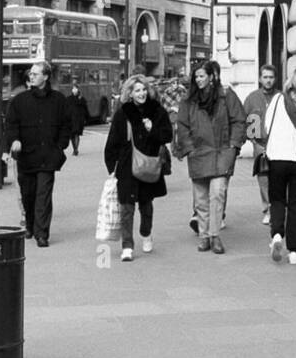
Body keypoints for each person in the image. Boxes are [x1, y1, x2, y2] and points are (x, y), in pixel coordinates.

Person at [173, 60, 245, 254]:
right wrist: (188, 148)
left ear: (211, 77)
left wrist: (233, 145)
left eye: (202, 76)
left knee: (218, 192)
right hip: (198, 153)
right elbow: (182, 125)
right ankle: (204, 236)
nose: (198, 80)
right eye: (196, 77)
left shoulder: (226, 96)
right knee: (201, 198)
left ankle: (215, 235)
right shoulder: (189, 100)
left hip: (222, 152)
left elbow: (239, 120)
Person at [104, 75, 173, 263]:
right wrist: (112, 168)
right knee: (126, 207)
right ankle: (127, 246)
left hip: (149, 164)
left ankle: (146, 232)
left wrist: (152, 130)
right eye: (137, 90)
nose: (141, 93)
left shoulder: (157, 111)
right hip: (126, 166)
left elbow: (167, 135)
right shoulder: (123, 113)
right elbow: (112, 143)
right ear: (130, 93)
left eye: (143, 90)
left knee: (146, 204)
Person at [4, 61, 71, 248]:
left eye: (35, 74)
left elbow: (67, 124)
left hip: (48, 156)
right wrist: (14, 140)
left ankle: (42, 234)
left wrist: (60, 146)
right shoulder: (19, 100)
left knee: (43, 195)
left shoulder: (58, 100)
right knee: (28, 194)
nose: (31, 76)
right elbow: (11, 125)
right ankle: (31, 225)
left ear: (46, 77)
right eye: (30, 74)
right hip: (26, 156)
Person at [262, 66, 296, 265]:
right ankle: (293, 250)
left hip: (277, 158)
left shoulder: (276, 99)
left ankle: (276, 235)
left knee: (277, 200)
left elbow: (266, 125)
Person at [244, 64, 279, 227]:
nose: (268, 80)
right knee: (263, 177)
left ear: (275, 79)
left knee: (278, 177)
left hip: (278, 143)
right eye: (265, 77)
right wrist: (253, 141)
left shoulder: (281, 97)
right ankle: (268, 210)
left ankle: (278, 208)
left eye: (271, 77)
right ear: (260, 79)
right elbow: (248, 120)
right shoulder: (252, 98)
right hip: (260, 143)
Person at [65, 84, 87, 156]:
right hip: (70, 119)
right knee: (72, 135)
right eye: (73, 88)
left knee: (76, 134)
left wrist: (85, 118)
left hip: (79, 119)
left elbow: (85, 109)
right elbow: (65, 109)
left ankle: (76, 149)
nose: (74, 90)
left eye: (76, 88)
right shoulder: (68, 99)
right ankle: (75, 149)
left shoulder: (82, 99)